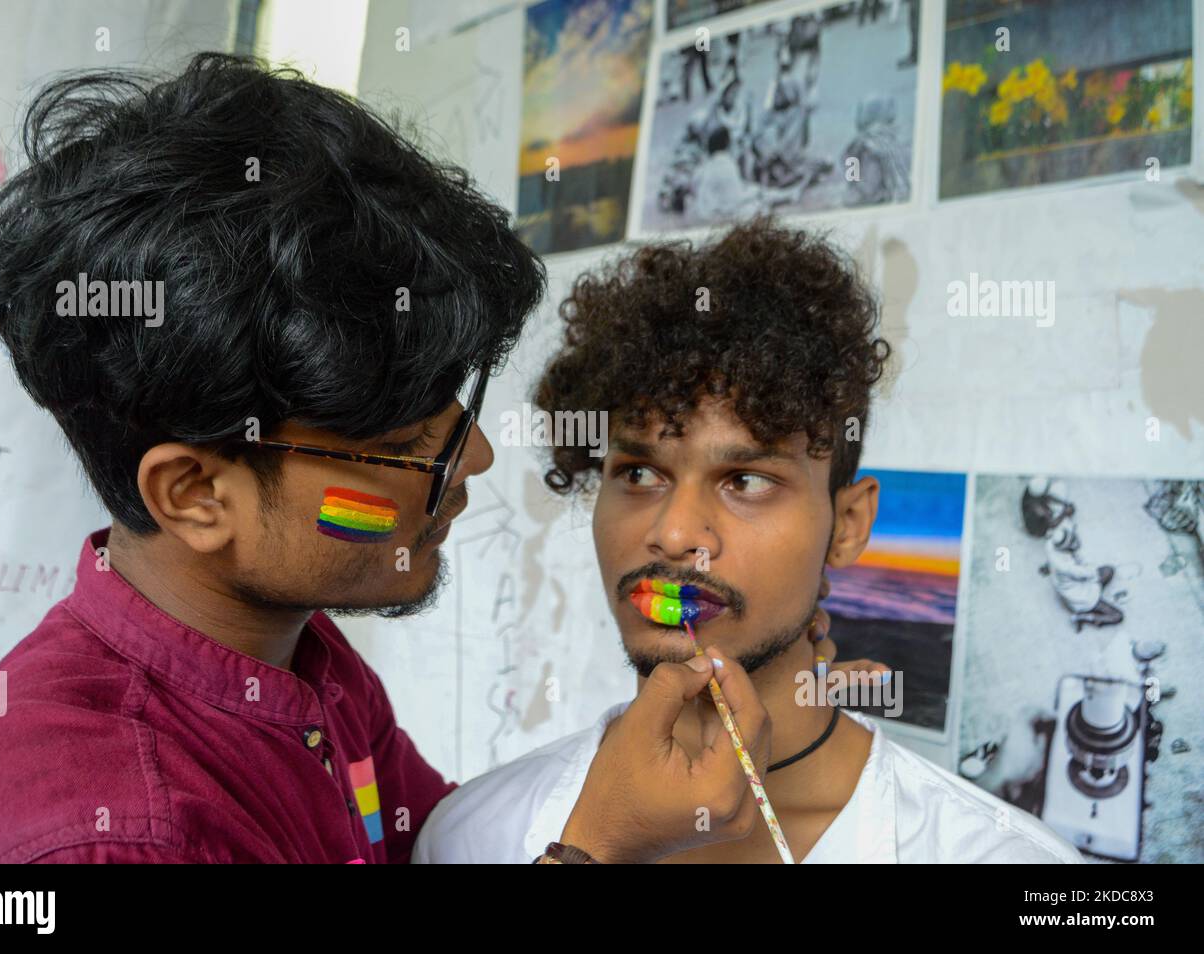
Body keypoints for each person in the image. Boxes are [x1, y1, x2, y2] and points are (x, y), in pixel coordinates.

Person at [0, 53, 780, 864]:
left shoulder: (305, 665)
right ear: (198, 493)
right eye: (402, 445)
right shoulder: (112, 835)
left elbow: (439, 846)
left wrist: (612, 798)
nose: (470, 455)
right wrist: (597, 840)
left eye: (450, 406)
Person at [413, 216, 1085, 864]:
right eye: (639, 472)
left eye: (747, 480)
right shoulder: (475, 838)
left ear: (846, 527)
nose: (675, 535)